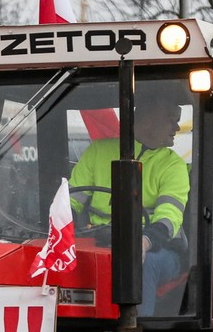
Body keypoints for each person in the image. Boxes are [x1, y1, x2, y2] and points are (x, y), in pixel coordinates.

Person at [69, 82, 190, 316]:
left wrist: (142, 243)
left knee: (140, 264)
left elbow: (169, 217)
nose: (177, 127)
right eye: (171, 118)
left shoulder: (173, 164)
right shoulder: (98, 151)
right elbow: (72, 201)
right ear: (148, 117)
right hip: (100, 240)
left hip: (159, 248)